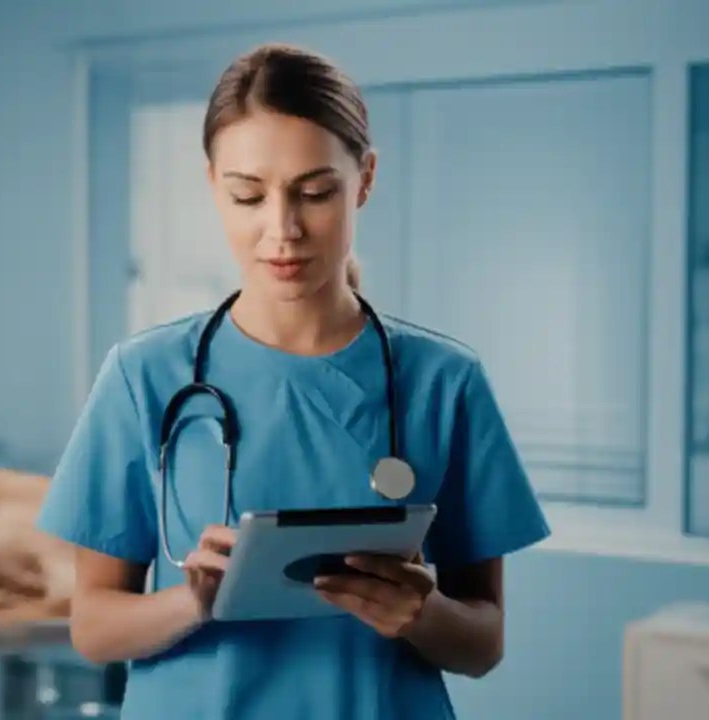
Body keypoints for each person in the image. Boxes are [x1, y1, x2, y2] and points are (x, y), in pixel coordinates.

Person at [36, 43, 550, 718]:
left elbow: (483, 644)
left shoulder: (443, 383)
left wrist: (420, 612)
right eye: (247, 195)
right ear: (213, 184)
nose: (282, 229)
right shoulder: (144, 378)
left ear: (364, 180)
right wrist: (192, 601)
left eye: (315, 193)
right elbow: (94, 627)